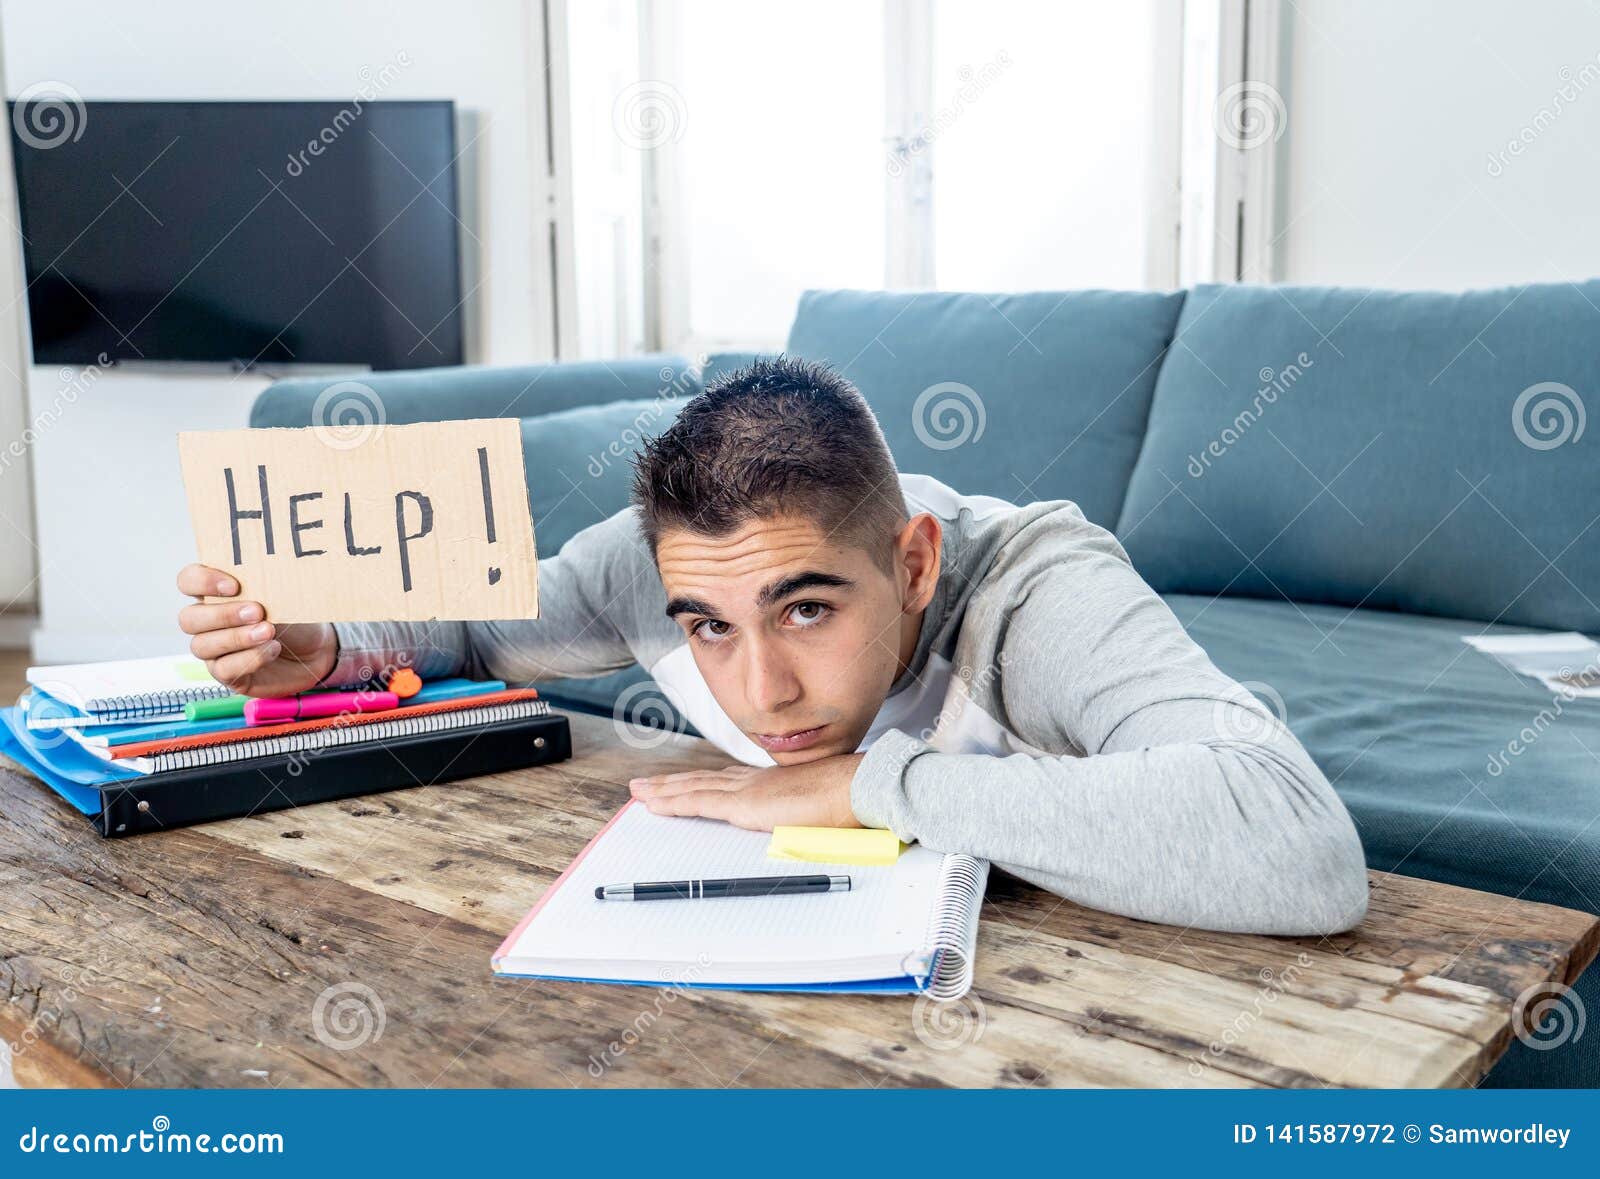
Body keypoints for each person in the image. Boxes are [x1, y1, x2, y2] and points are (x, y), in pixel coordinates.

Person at [178, 356, 1368, 935]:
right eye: (708, 627)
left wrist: (871, 784)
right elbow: (483, 624)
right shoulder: (647, 562)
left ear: (912, 564)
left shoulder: (1040, 589)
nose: (762, 694)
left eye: (806, 610)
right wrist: (326, 648)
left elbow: (1298, 844)